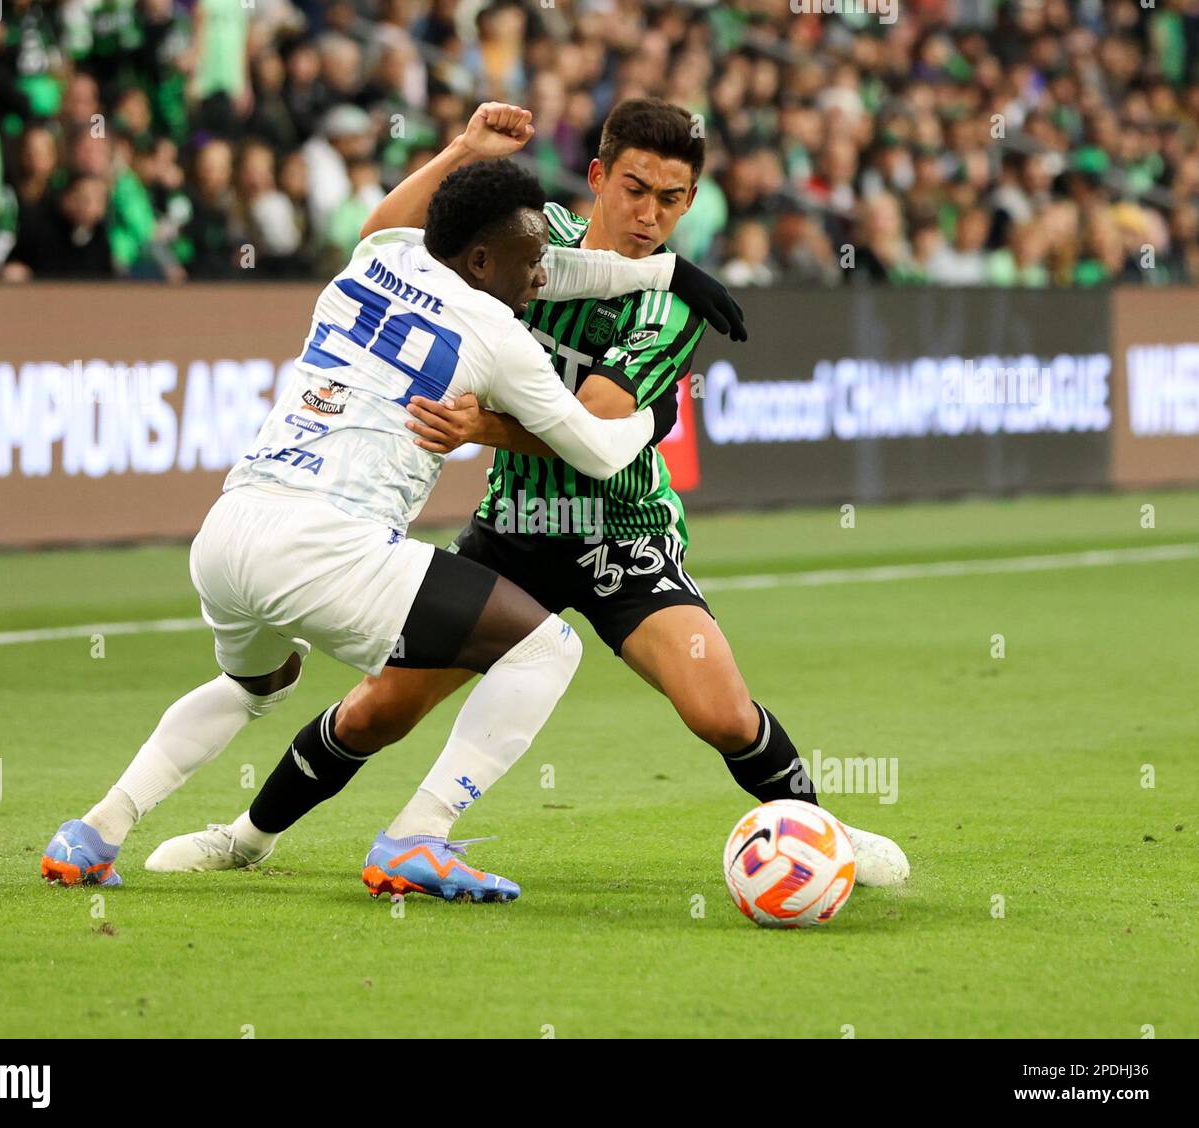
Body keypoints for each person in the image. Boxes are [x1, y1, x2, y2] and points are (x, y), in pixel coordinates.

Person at [151, 99, 909, 896]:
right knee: (379, 709)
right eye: (634, 188)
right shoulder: (527, 233)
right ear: (596, 178)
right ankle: (245, 837)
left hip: (621, 530)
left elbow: (600, 432)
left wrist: (485, 425)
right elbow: (385, 237)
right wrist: (461, 150)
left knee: (719, 710)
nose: (649, 215)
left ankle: (820, 836)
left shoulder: (671, 306)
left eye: (671, 199)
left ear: (691, 202)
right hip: (514, 530)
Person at [40, 151, 746, 899]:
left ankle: (94, 832)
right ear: (481, 259)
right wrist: (655, 414)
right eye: (531, 263)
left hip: (230, 528)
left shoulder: (379, 255)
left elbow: (535, 264)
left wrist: (667, 273)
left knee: (257, 683)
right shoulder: (501, 337)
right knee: (547, 649)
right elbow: (602, 452)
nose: (543, 278)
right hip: (328, 544)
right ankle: (417, 837)